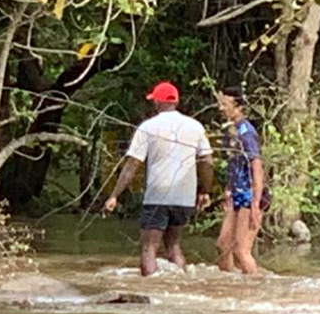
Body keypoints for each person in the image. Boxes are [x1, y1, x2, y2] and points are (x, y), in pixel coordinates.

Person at [104, 82, 214, 276]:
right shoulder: (195, 127)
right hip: (185, 197)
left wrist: (114, 195)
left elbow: (132, 165)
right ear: (176, 101)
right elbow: (206, 160)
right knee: (174, 246)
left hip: (158, 195)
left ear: (157, 102)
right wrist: (205, 190)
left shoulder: (148, 127)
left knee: (149, 248)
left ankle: (152, 292)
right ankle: (181, 285)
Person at [215, 87, 267, 276]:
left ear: (238, 107)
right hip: (236, 193)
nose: (221, 108)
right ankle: (230, 288)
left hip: (249, 194)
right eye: (220, 104)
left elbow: (257, 167)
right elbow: (233, 164)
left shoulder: (246, 132)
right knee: (223, 245)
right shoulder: (230, 131)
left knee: (241, 250)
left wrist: (255, 203)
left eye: (225, 104)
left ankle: (255, 289)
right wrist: (228, 190)